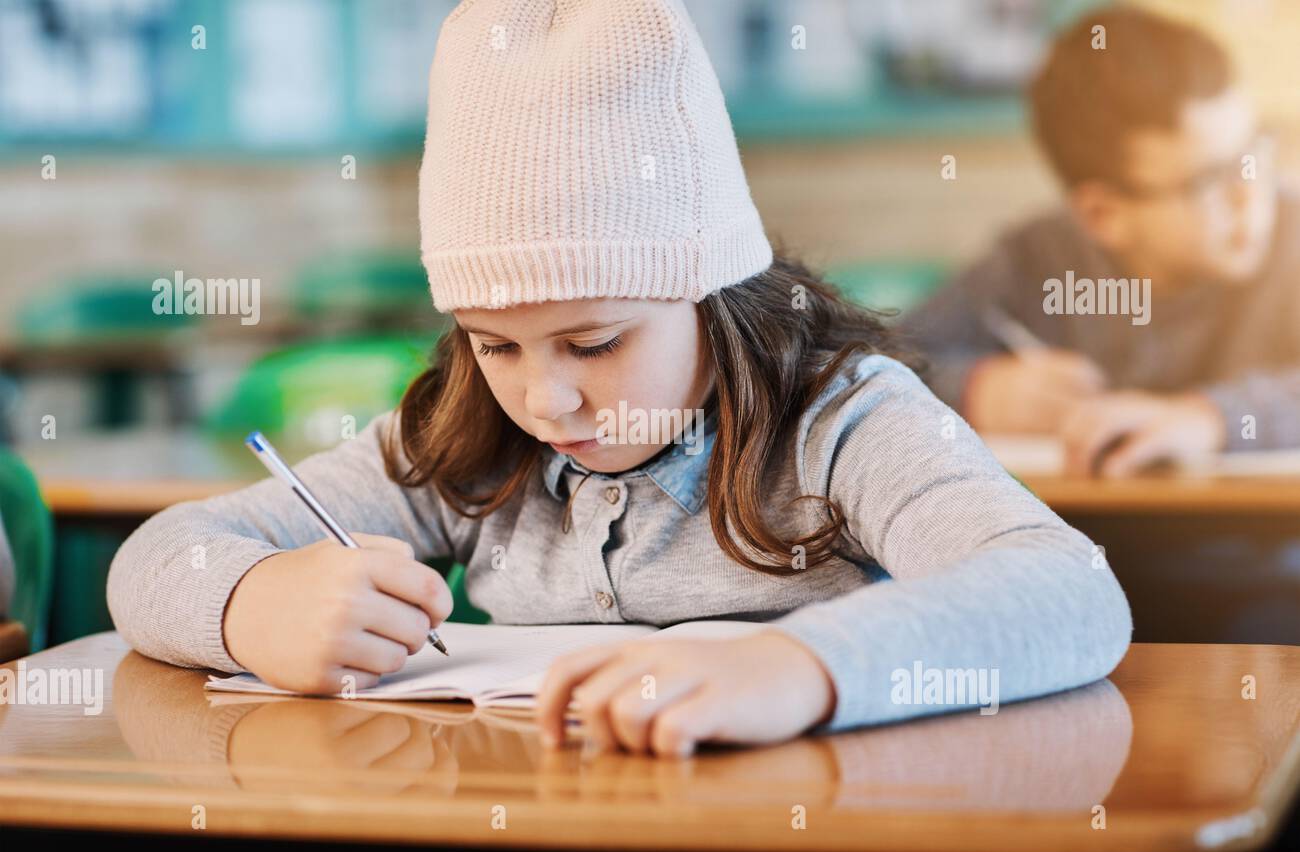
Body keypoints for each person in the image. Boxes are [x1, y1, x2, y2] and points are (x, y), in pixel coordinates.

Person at [107, 0, 1130, 757]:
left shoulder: (840, 420)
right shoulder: (464, 438)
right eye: (493, 344)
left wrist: (796, 665)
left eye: (594, 344)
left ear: (713, 293)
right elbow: (155, 558)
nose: (545, 400)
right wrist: (248, 600)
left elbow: (1069, 592)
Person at [904, 6, 1299, 476]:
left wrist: (1210, 418)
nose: (1249, 193)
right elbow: (870, 365)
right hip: (1084, 545)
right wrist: (974, 389)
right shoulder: (1037, 259)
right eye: (1208, 180)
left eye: (1254, 148)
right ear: (1103, 215)